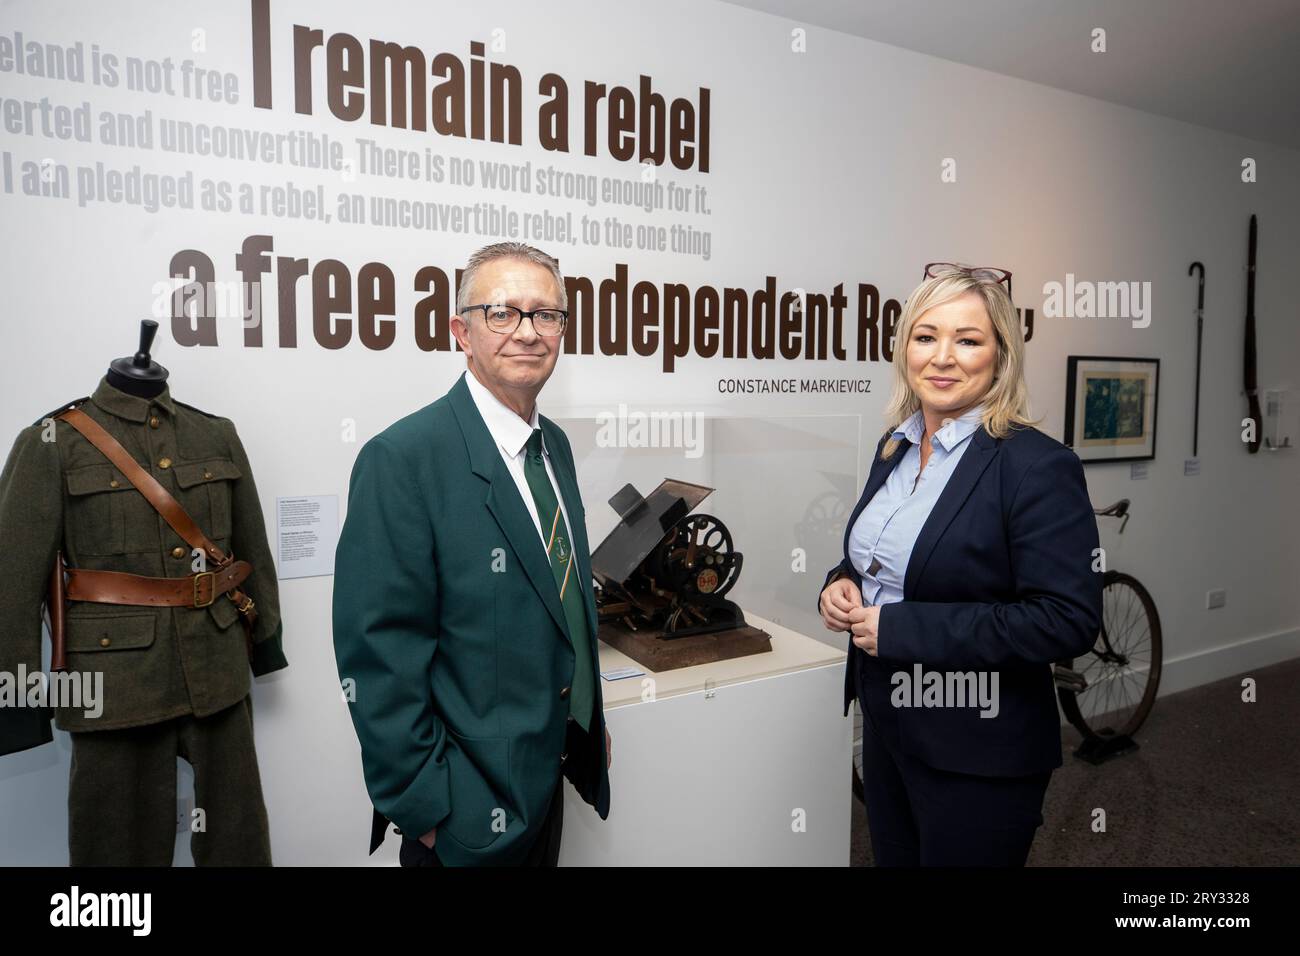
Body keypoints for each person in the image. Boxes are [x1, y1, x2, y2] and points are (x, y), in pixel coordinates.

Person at [333, 242, 610, 867]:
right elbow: (377, 656)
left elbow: (557, 603)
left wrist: (588, 718)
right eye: (502, 313)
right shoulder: (402, 459)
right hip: (465, 812)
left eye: (546, 315)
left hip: (548, 778)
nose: (528, 332)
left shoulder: (554, 447)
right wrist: (428, 809)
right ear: (461, 331)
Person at [818, 262, 1102, 866]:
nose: (942, 357)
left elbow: (1065, 619)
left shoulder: (1035, 465)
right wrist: (840, 582)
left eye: (967, 340)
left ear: (1000, 356)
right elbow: (879, 560)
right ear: (904, 350)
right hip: (891, 724)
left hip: (978, 745)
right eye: (926, 336)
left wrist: (902, 629)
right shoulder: (895, 445)